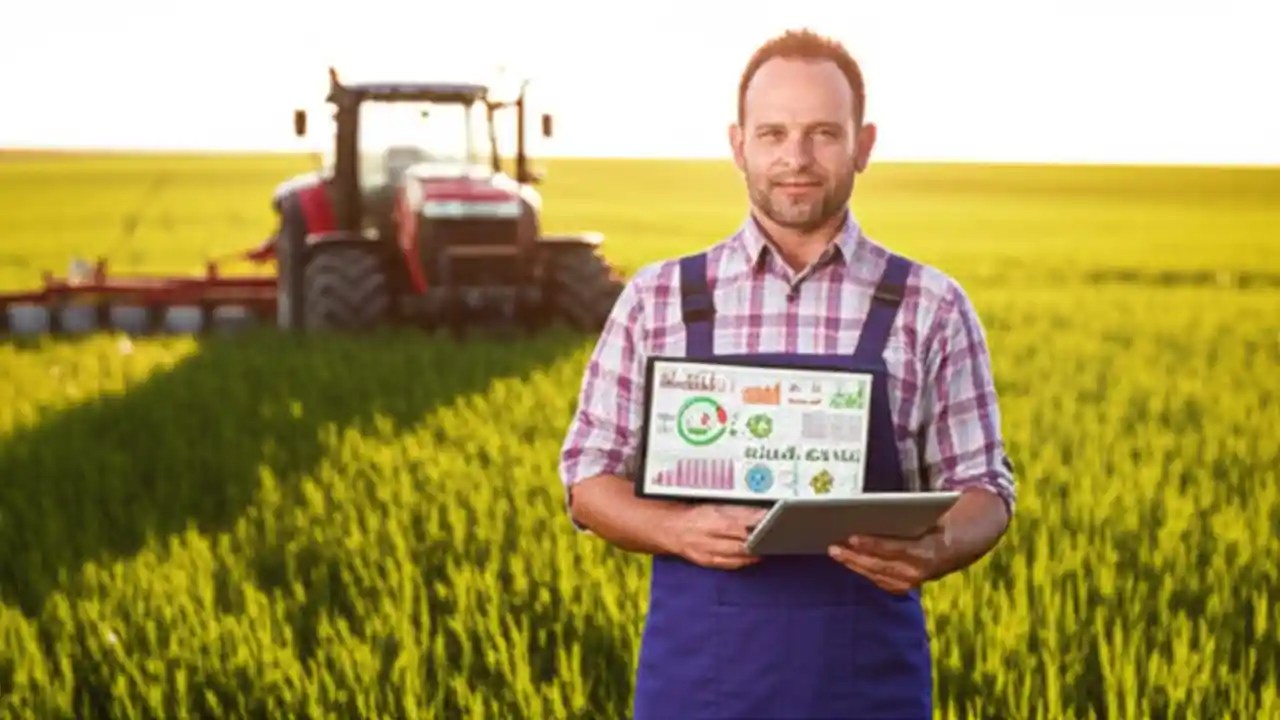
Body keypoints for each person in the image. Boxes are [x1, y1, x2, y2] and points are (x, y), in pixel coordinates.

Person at [558, 27, 1016, 719]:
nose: (795, 158)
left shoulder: (932, 306)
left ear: (863, 144)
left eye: (823, 133)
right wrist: (678, 531)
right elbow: (587, 478)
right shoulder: (660, 299)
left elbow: (985, 488)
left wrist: (941, 545)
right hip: (698, 689)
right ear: (739, 145)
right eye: (772, 133)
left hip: (867, 691)